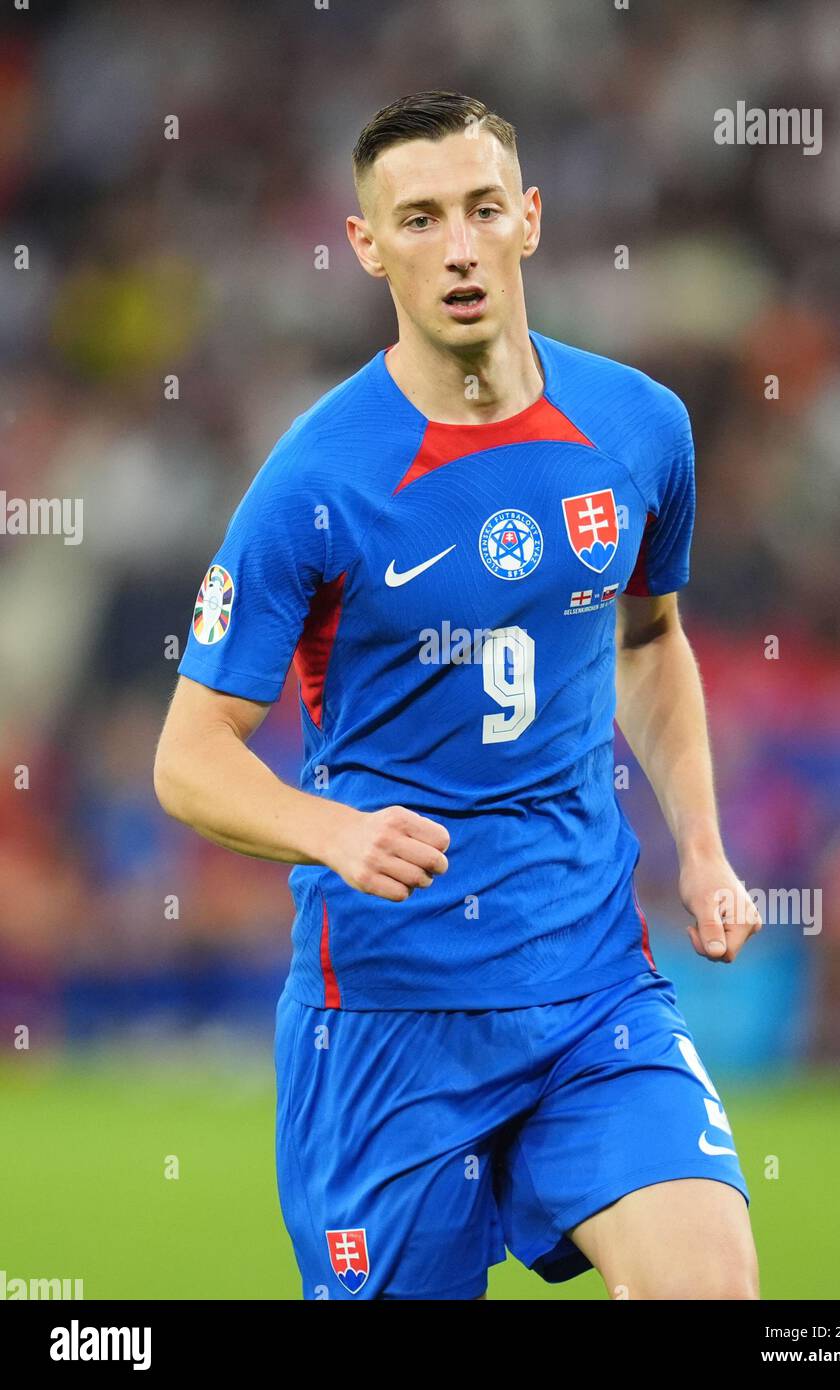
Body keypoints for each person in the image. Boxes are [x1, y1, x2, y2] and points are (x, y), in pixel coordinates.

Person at [154, 90, 763, 1301]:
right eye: (420, 219)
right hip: (386, 1014)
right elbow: (189, 755)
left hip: (593, 986)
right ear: (367, 245)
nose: (461, 245)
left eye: (484, 209)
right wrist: (334, 830)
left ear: (529, 218)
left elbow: (650, 642)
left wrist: (700, 845)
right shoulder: (317, 481)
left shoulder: (640, 429)